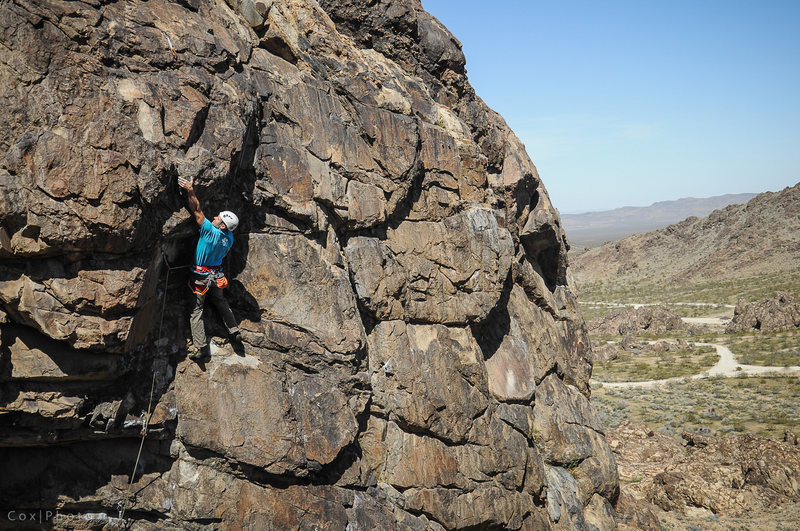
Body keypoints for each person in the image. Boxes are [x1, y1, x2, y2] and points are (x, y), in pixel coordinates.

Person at [177, 176, 241, 359]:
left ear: (221, 225)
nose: (214, 217)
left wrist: (190, 190)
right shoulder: (229, 238)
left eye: (218, 218)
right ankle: (234, 329)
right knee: (220, 302)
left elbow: (196, 209)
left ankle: (200, 347)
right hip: (216, 275)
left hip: (201, 277)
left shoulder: (209, 231)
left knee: (196, 310)